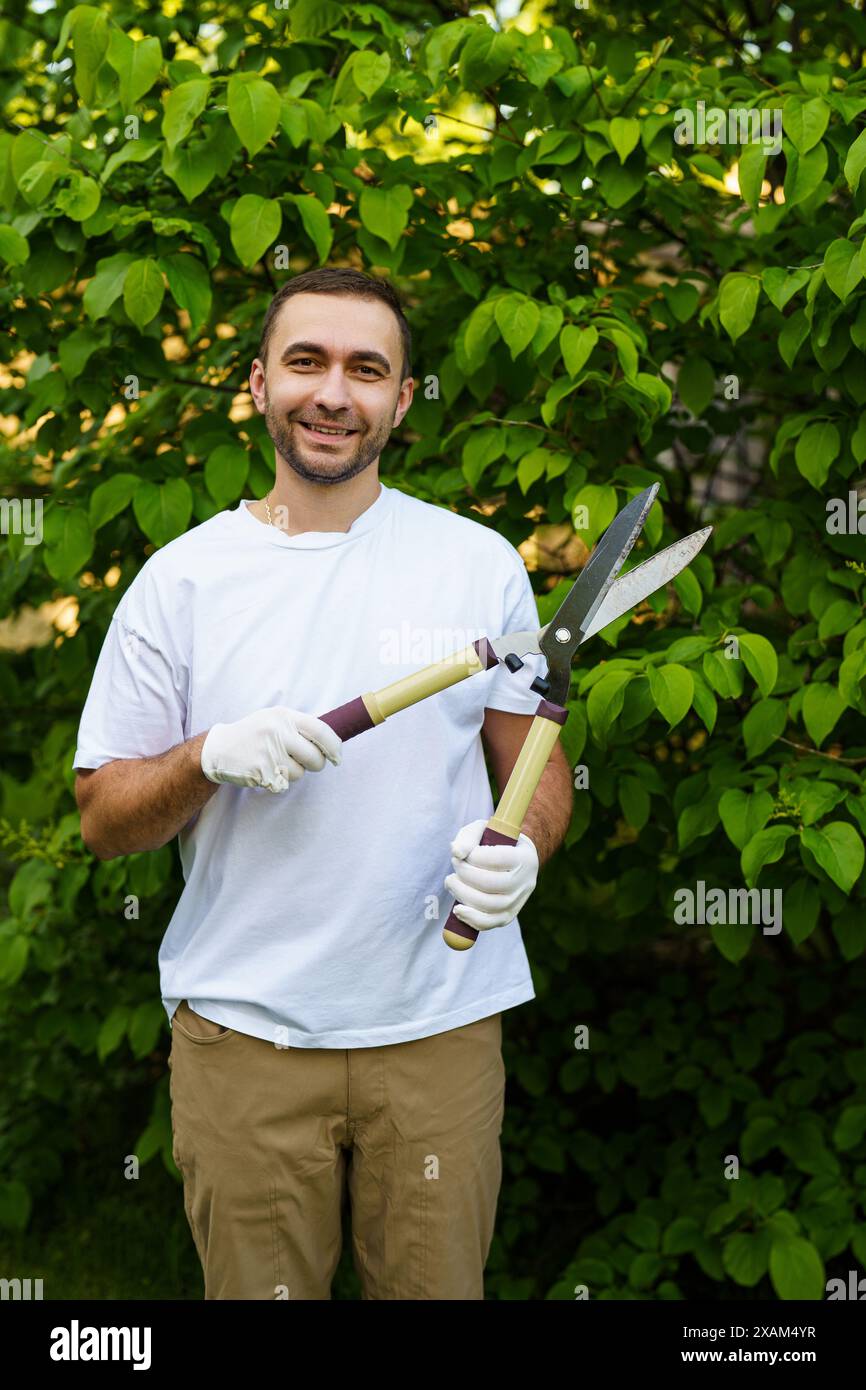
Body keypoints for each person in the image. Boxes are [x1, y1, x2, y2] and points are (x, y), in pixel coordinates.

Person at [73, 266, 573, 1300]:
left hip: (436, 1029)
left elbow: (535, 762)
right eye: (305, 362)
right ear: (257, 384)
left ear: (400, 397)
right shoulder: (182, 580)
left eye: (365, 369)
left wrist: (520, 849)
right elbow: (104, 819)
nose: (333, 393)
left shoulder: (475, 564)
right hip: (245, 1036)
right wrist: (202, 756)